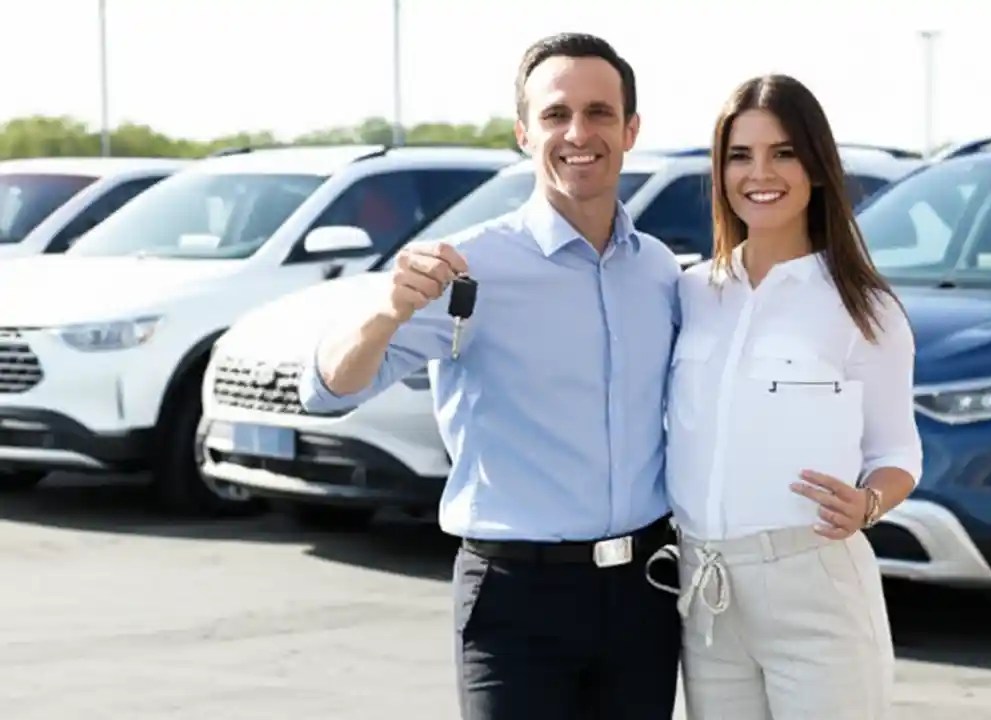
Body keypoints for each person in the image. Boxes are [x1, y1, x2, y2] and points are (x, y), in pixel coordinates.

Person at [296, 33, 683, 720]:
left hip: (645, 595)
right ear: (523, 134)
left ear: (631, 130)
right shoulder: (467, 267)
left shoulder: (658, 269)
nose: (578, 133)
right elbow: (327, 388)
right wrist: (387, 310)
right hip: (517, 598)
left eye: (599, 113)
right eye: (555, 115)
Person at [652, 74, 923, 719]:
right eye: (739, 156)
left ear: (817, 168)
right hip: (706, 591)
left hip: (814, 586)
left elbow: (899, 451)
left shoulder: (866, 308)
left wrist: (868, 502)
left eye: (782, 153)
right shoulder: (690, 293)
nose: (759, 173)